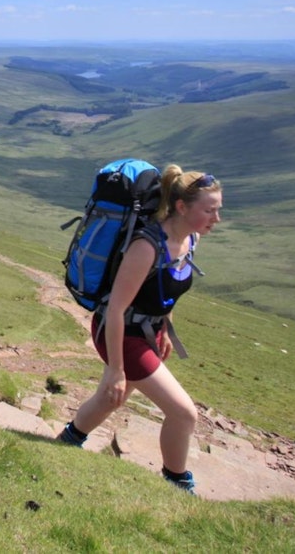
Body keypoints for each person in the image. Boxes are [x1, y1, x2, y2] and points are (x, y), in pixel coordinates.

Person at [56, 165, 222, 494]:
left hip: (149, 332)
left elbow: (166, 290)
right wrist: (117, 369)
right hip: (121, 334)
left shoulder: (191, 239)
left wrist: (166, 329)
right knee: (184, 414)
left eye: (218, 210)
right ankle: (176, 482)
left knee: (109, 399)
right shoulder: (147, 246)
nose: (216, 218)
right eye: (209, 210)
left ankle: (67, 440)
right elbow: (116, 309)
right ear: (181, 207)